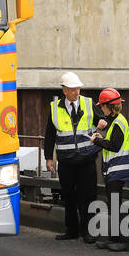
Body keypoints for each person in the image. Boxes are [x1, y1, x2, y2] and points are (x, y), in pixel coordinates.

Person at [45, 72, 99, 242]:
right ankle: (71, 230)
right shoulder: (54, 108)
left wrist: (102, 126)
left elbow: (102, 122)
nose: (77, 92)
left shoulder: (89, 104)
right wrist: (48, 158)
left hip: (86, 160)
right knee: (68, 197)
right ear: (65, 91)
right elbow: (50, 135)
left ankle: (88, 232)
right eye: (73, 89)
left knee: (88, 197)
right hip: (66, 161)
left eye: (78, 89)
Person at [89, 87, 129, 251]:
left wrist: (97, 141)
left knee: (116, 205)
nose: (101, 109)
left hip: (118, 170)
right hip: (114, 170)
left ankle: (127, 241)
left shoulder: (118, 123)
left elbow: (114, 146)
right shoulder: (116, 122)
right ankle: (114, 238)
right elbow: (112, 143)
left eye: (102, 106)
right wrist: (102, 138)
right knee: (113, 205)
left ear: (109, 106)